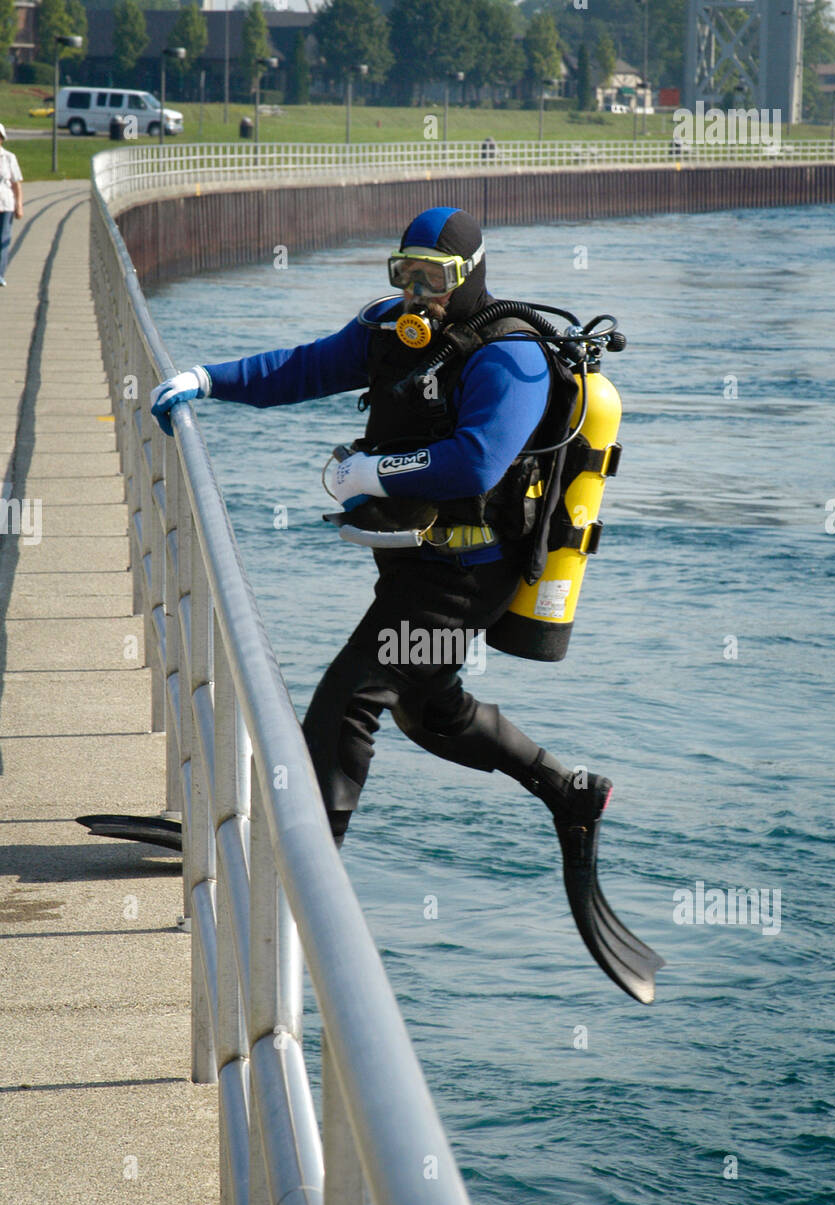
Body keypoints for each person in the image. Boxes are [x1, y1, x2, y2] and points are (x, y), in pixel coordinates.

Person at [150, 206, 663, 1002]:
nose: (419, 293)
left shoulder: (512, 357)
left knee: (351, 698)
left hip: (466, 578)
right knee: (428, 711)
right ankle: (571, 793)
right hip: (410, 565)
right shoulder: (388, 330)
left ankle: (300, 878)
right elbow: (303, 369)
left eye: (436, 278)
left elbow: (477, 460)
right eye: (407, 274)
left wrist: (375, 473)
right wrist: (209, 380)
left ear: (470, 277)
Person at [0, 123, 24, 289]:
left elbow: (16, 184)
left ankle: (0, 274)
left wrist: (19, 205)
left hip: (5, 204)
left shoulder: (9, 157)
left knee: (3, 240)